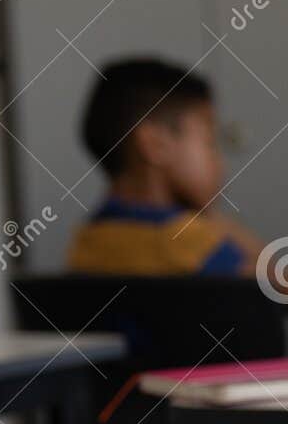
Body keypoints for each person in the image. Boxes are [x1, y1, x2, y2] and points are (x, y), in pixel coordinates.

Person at [65, 57, 260, 275]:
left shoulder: (87, 240)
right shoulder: (191, 240)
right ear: (155, 143)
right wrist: (214, 217)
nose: (220, 163)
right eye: (210, 143)